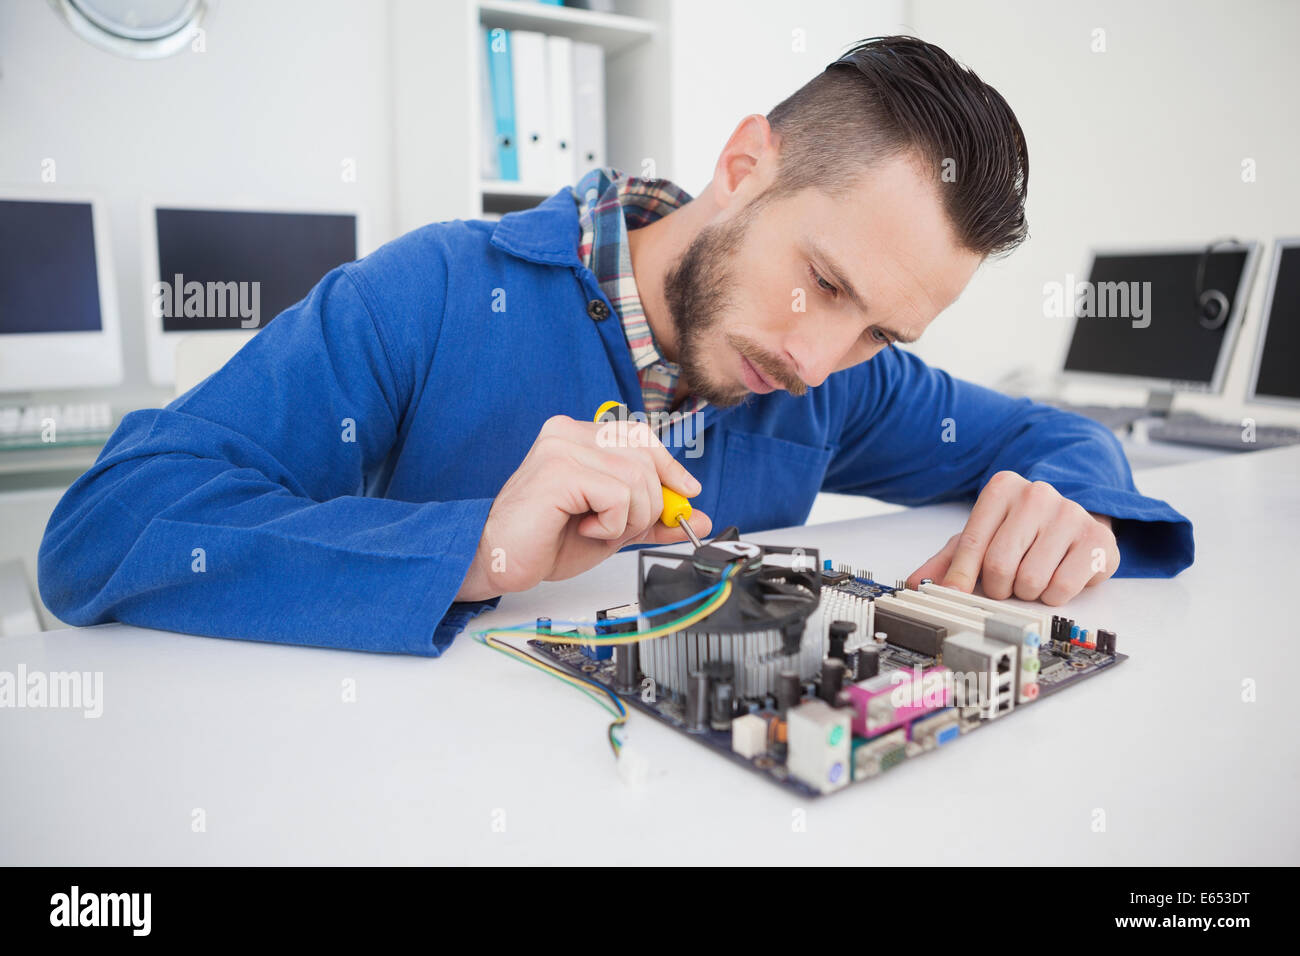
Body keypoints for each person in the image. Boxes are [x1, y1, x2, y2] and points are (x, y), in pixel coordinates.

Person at [38, 37, 1191, 655]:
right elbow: (104, 527)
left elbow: (1056, 431)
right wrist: (476, 547)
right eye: (824, 282)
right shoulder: (433, 292)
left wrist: (1072, 503)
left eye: (880, 328)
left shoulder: (840, 379)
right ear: (745, 166)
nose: (820, 357)